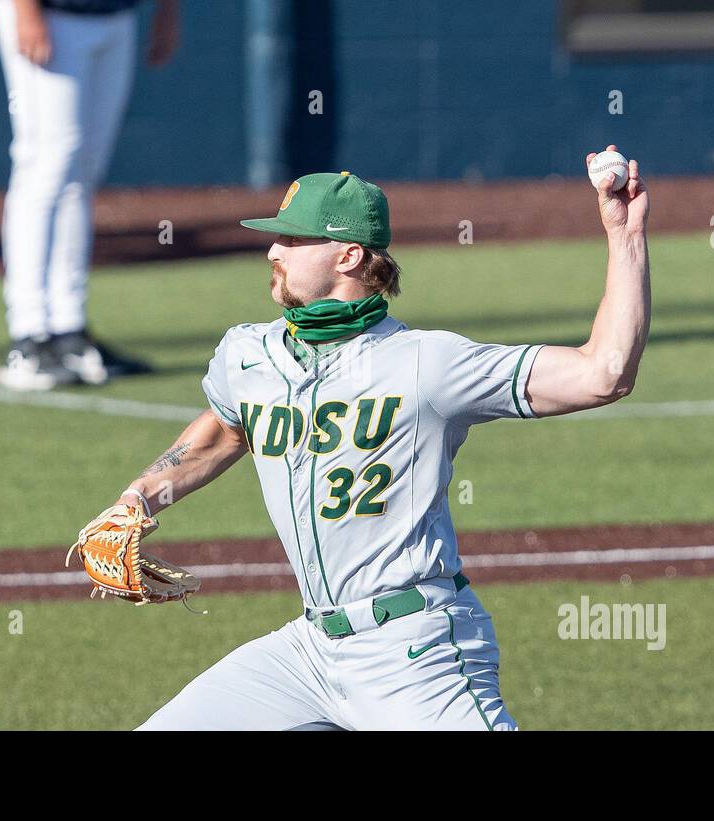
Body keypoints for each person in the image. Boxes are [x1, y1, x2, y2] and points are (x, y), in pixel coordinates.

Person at [103, 154, 649, 729]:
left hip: (415, 652)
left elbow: (604, 373)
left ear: (349, 255)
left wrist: (625, 234)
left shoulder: (426, 365)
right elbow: (225, 429)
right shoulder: (250, 355)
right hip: (308, 654)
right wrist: (138, 497)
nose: (272, 251)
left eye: (292, 239)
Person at [0, 0, 179, 390]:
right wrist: (25, 12)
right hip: (51, 14)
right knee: (46, 163)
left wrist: (168, 11)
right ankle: (28, 338)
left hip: (115, 16)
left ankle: (69, 329)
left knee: (82, 172)